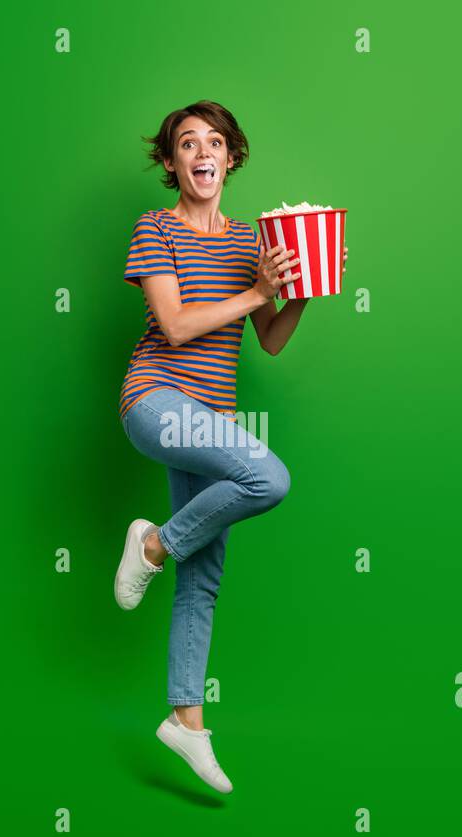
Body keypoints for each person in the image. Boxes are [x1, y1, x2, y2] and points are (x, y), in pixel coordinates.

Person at [113, 100, 347, 794]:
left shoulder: (251, 241)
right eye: (187, 144)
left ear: (232, 158)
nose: (202, 153)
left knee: (204, 578)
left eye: (215, 142)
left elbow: (271, 337)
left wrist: (304, 285)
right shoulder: (157, 227)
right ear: (171, 163)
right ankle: (151, 545)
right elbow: (177, 325)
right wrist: (257, 292)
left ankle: (186, 722)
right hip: (155, 400)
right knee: (268, 478)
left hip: (209, 418)